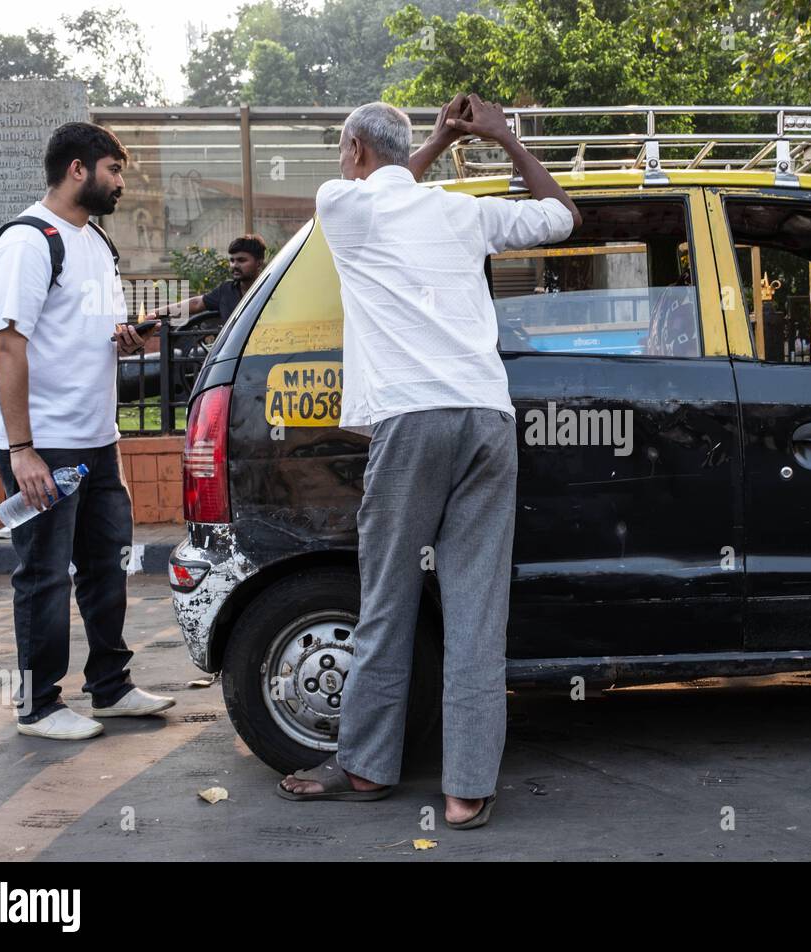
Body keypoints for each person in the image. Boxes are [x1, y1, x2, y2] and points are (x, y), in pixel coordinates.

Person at [277, 94, 581, 829]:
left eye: (344, 149)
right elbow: (562, 216)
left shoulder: (343, 206)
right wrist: (503, 140)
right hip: (486, 416)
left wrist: (437, 141)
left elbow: (387, 183)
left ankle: (366, 768)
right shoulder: (463, 213)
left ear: (352, 151)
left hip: (411, 419)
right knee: (478, 613)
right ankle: (465, 790)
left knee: (387, 600)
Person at [0, 121, 175, 740]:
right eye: (115, 171)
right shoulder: (28, 241)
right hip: (45, 443)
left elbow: (82, 334)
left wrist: (121, 338)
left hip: (97, 438)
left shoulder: (96, 243)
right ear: (78, 169)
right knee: (43, 571)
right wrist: (22, 450)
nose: (121, 183)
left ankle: (110, 688)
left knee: (105, 565)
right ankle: (38, 705)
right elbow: (9, 347)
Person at [146, 234, 267, 323]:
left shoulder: (271, 288)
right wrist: (156, 312)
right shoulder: (226, 290)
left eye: (241, 260)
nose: (234, 265)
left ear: (259, 263)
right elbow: (197, 303)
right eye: (232, 260)